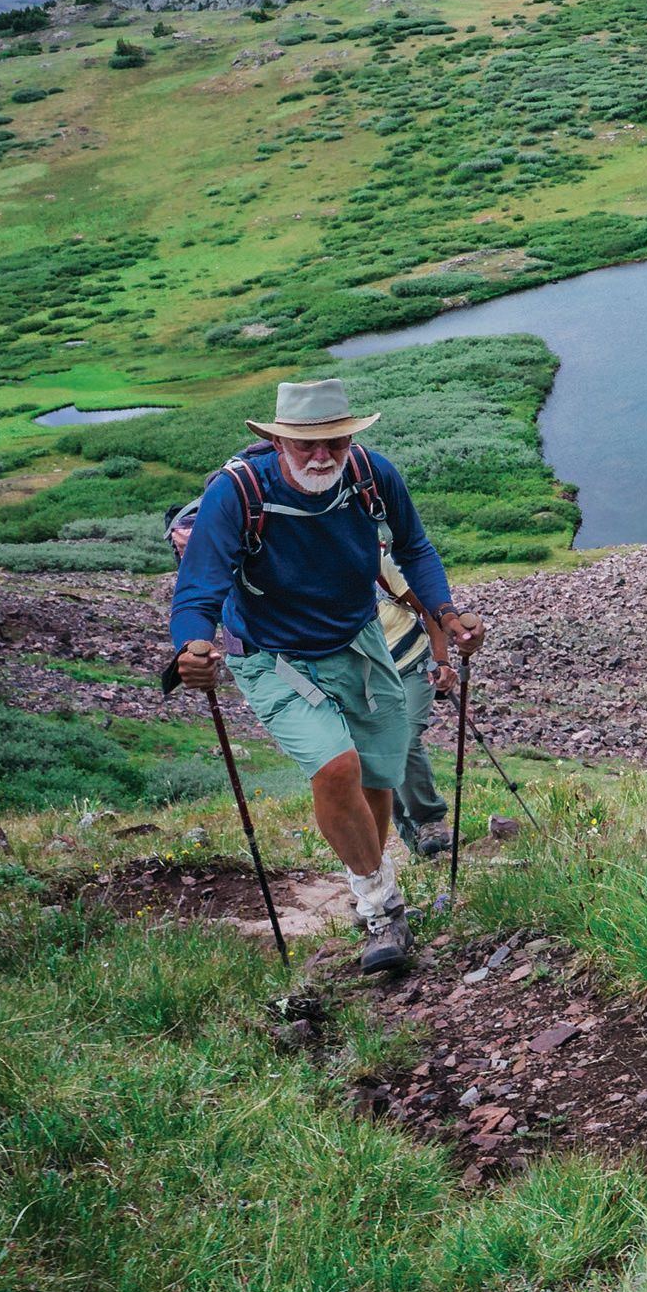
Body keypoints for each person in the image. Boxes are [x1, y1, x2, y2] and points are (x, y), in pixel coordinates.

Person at [168, 377, 483, 973]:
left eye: (334, 442)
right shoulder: (237, 494)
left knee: (378, 774)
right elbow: (199, 585)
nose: (322, 456)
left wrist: (446, 612)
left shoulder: (371, 474)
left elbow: (414, 546)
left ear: (349, 437)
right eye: (307, 444)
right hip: (272, 655)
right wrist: (193, 646)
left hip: (358, 640)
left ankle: (370, 877)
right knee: (336, 766)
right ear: (279, 440)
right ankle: (382, 909)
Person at [377, 546, 458, 857]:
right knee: (380, 757)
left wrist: (442, 661)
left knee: (404, 739)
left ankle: (429, 820)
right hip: (370, 679)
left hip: (413, 665)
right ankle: (418, 844)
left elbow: (428, 609)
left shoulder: (379, 560)